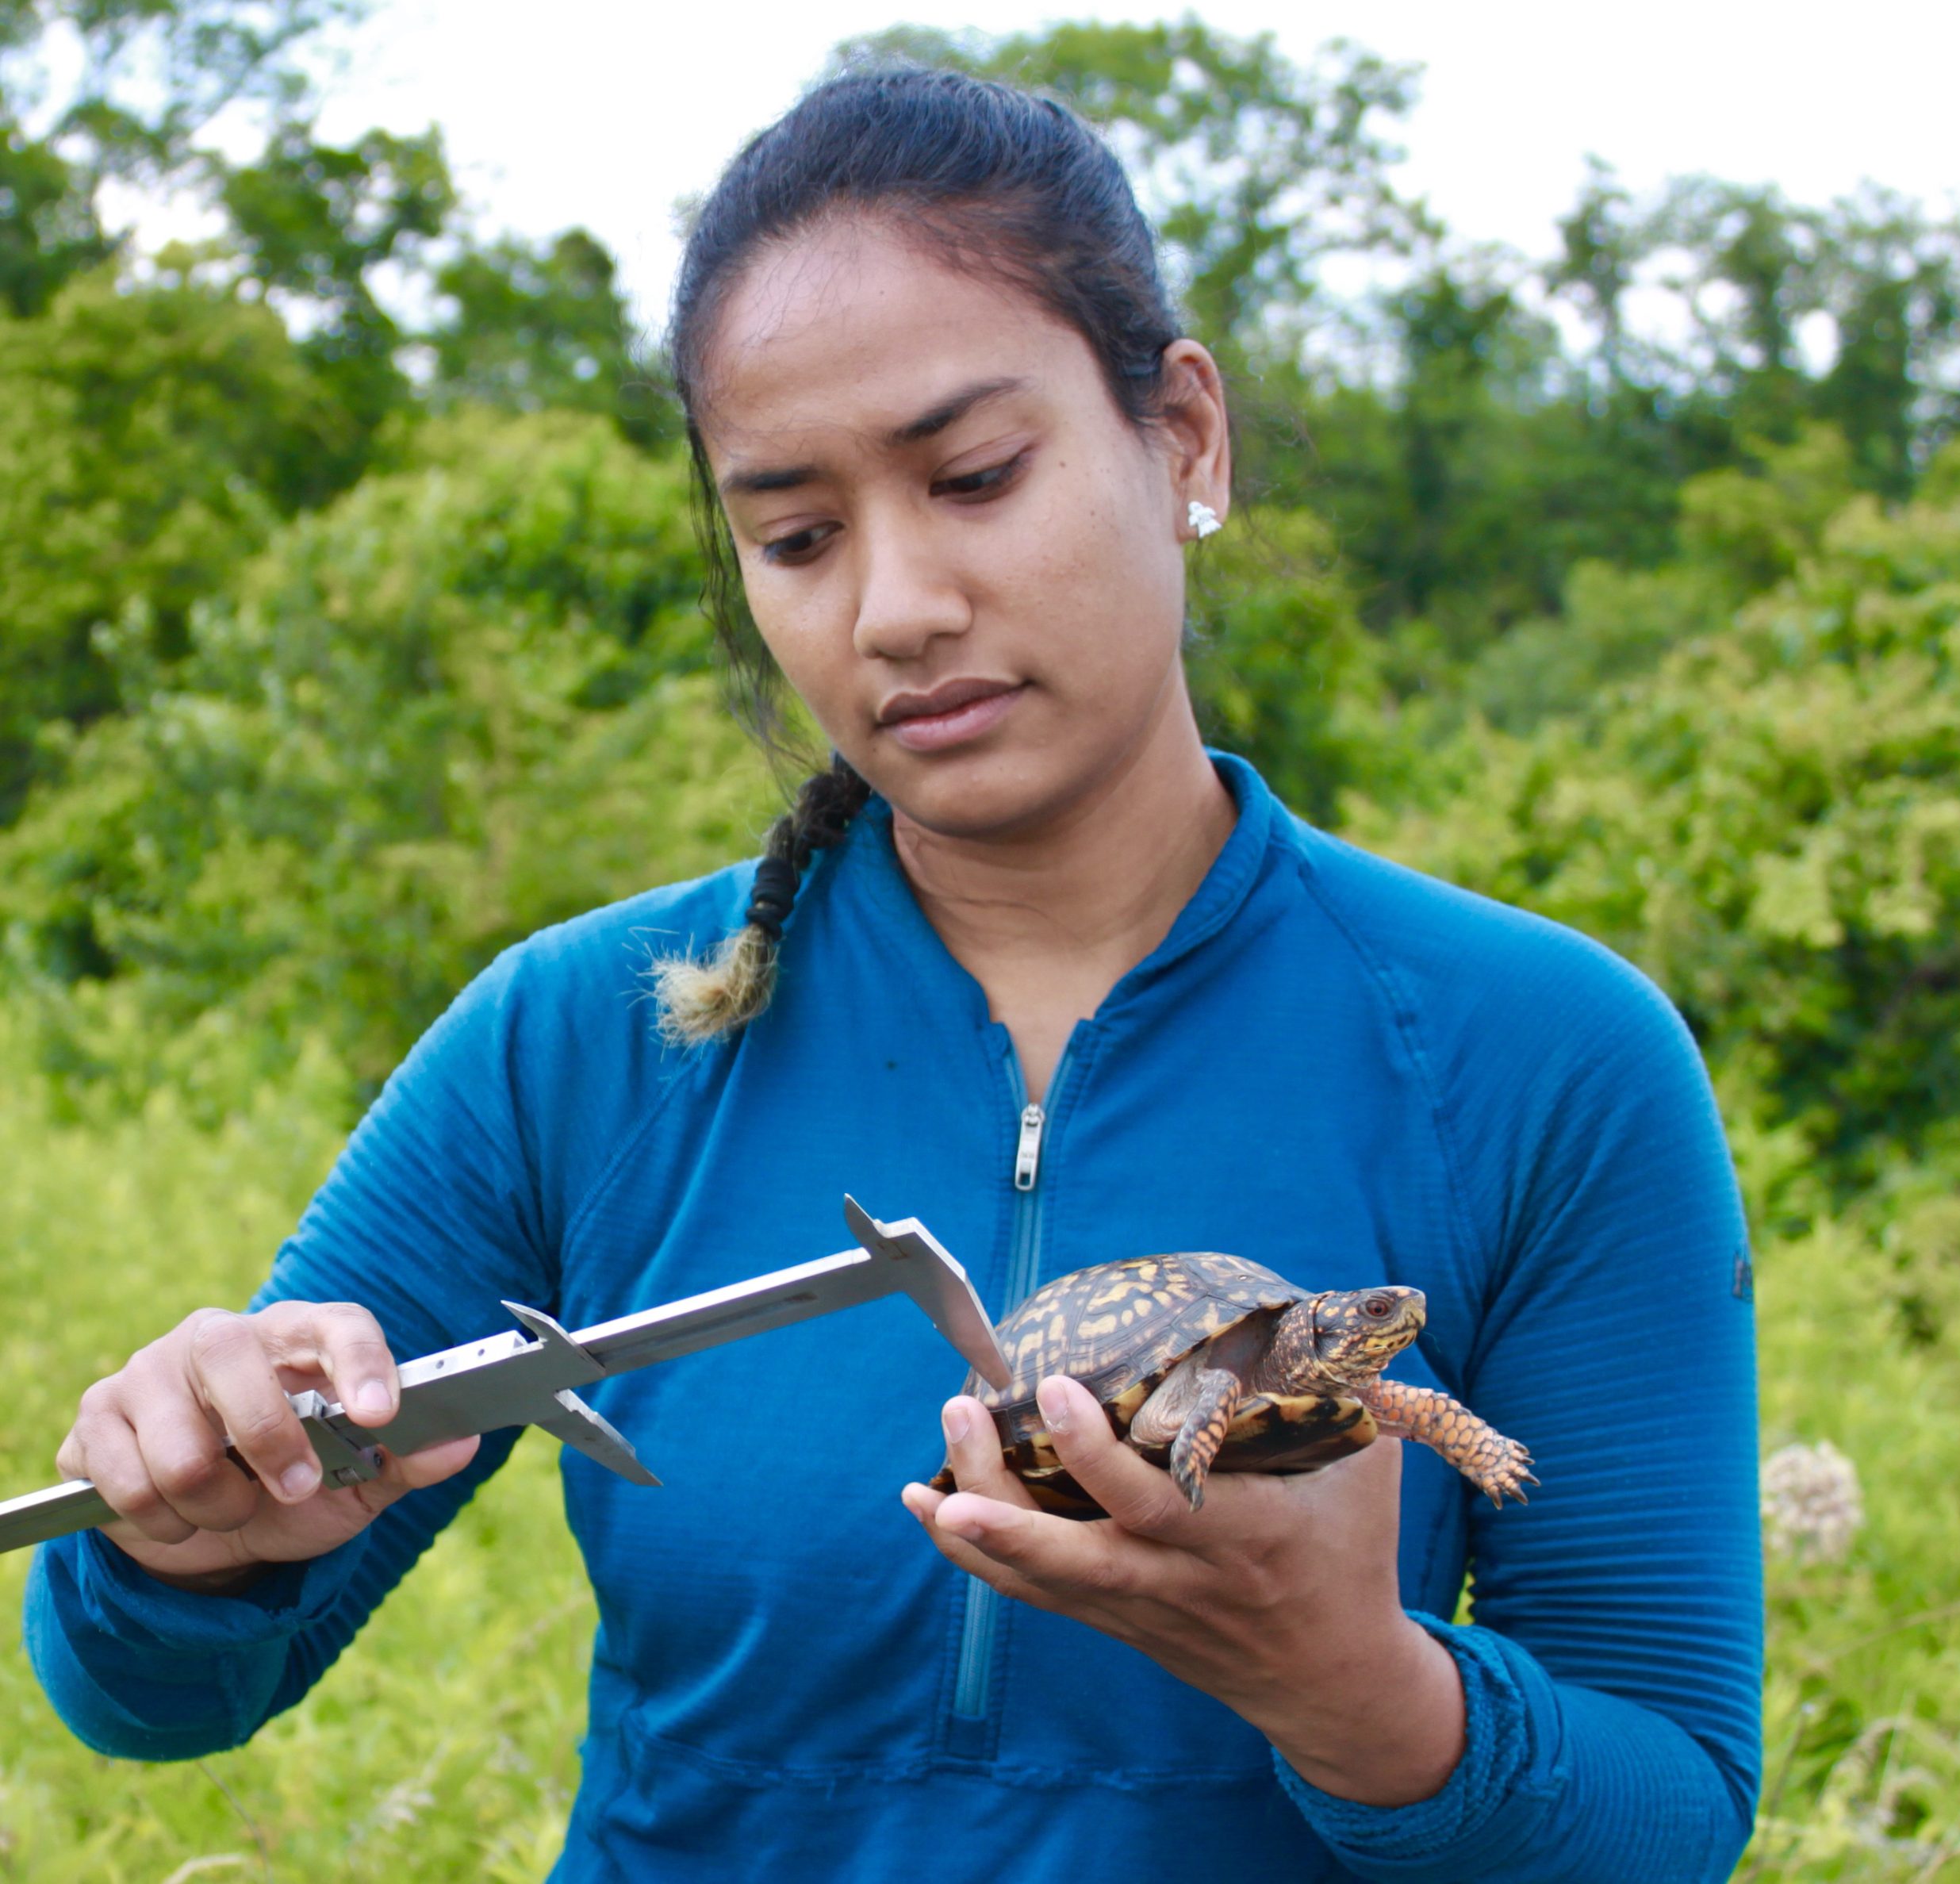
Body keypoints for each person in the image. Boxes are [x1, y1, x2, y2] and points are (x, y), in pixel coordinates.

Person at [23, 65, 1761, 1882]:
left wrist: (1356, 1694)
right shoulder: (575, 1046)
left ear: (1182, 439)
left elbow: (1666, 1806)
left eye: (975, 476)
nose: (893, 606)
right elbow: (151, 1701)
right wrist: (185, 1513)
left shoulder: (1543, 1061)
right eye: (794, 535)